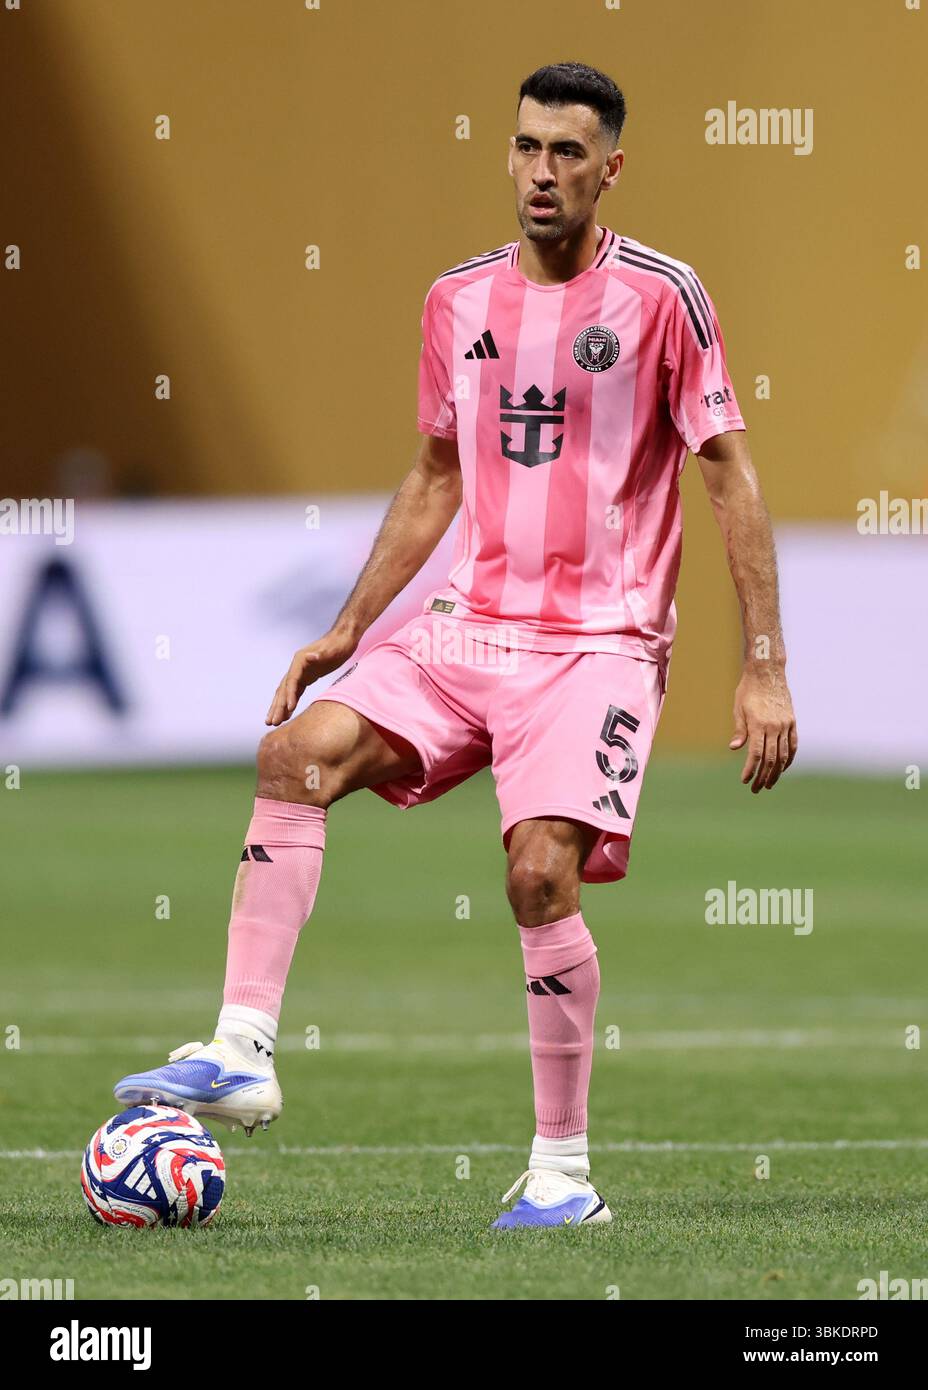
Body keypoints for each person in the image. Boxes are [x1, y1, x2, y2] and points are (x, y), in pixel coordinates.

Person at [115, 61, 798, 1230]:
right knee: (295, 758)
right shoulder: (455, 301)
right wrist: (349, 626)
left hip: (598, 643)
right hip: (466, 626)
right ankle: (242, 1047)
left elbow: (726, 473)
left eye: (567, 153)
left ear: (610, 169)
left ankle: (561, 1175)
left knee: (538, 873)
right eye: (527, 147)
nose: (541, 172)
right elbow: (437, 470)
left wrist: (764, 660)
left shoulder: (663, 298)